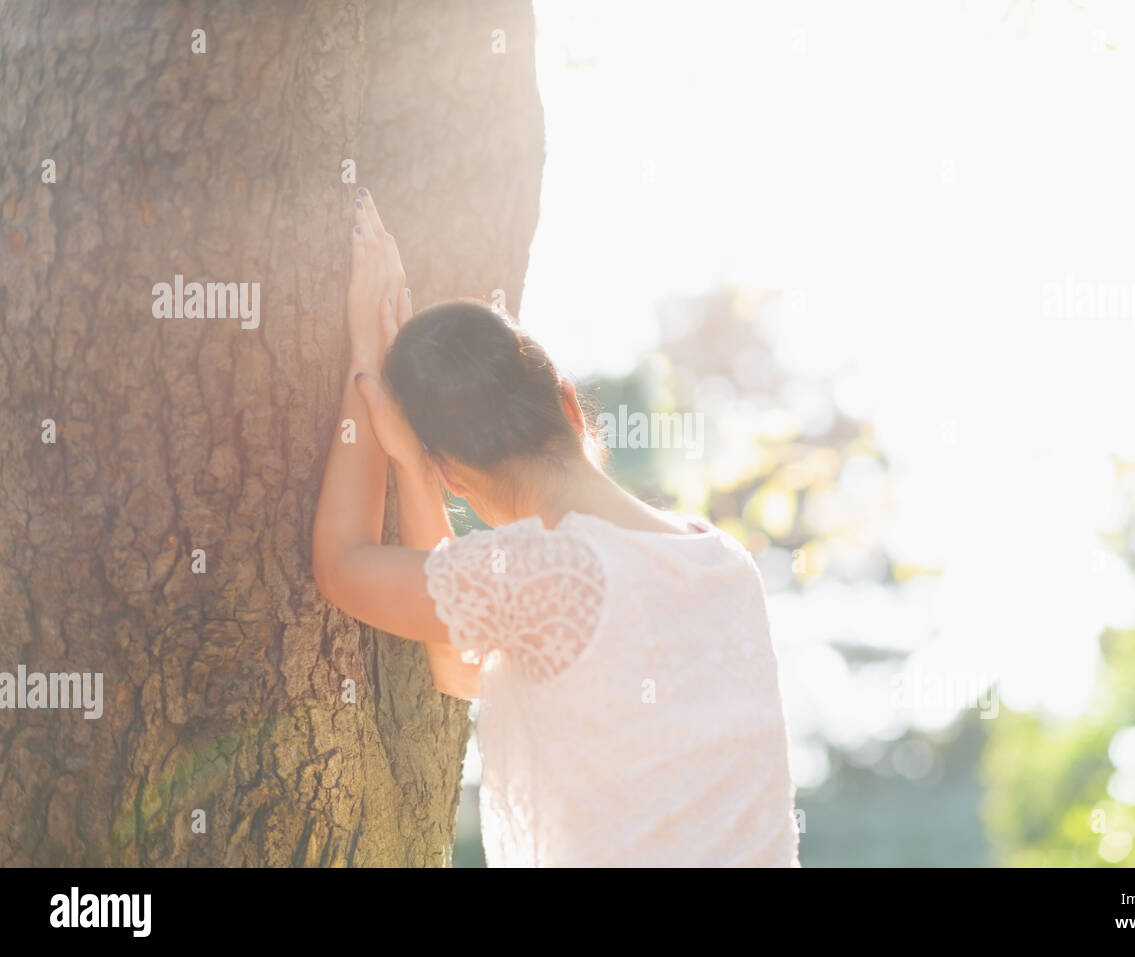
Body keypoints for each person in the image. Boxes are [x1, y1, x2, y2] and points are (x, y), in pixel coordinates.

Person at [312, 189, 801, 867]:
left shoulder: (549, 573)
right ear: (570, 402)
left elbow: (343, 563)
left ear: (454, 476)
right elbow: (458, 665)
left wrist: (365, 361)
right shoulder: (725, 565)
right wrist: (419, 468)